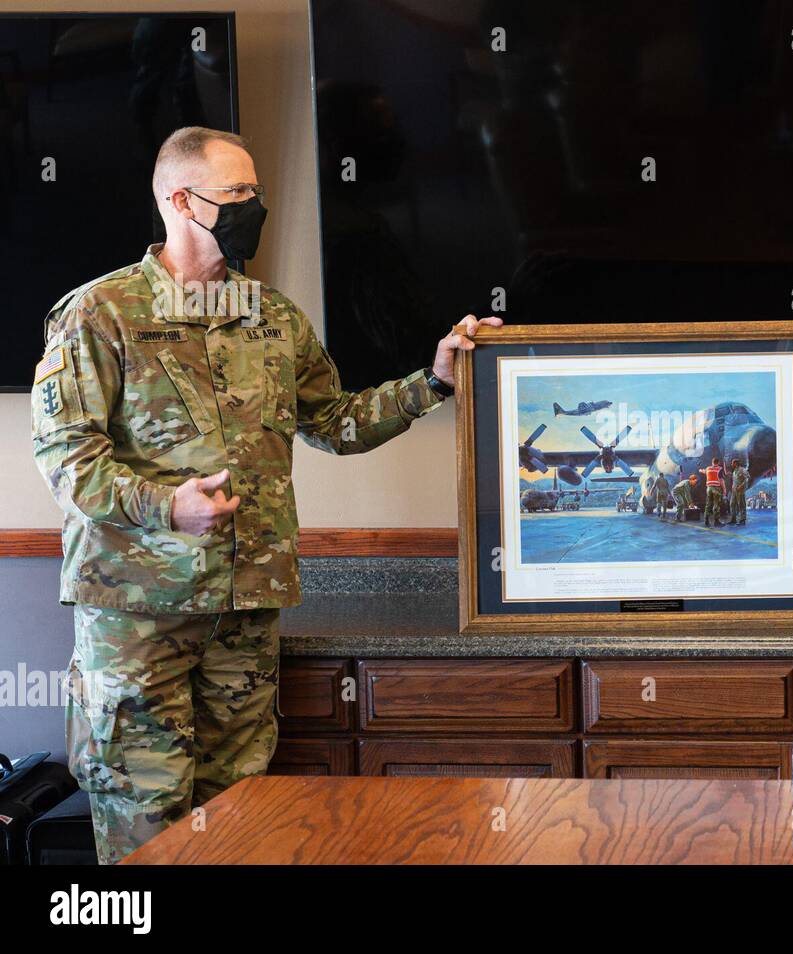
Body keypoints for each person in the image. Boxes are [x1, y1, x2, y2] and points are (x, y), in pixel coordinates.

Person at [31, 126, 501, 864]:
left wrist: (433, 380)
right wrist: (169, 507)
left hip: (244, 611)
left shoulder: (271, 316)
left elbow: (336, 423)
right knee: (146, 823)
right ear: (181, 200)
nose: (256, 206)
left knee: (239, 819)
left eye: (257, 191)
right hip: (139, 618)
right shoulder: (100, 314)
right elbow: (67, 459)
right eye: (239, 193)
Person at [702, 458, 727, 527]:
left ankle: (706, 520)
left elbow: (704, 471)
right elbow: (721, 480)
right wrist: (724, 489)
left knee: (708, 504)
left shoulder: (708, 468)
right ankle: (716, 521)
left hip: (709, 488)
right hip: (716, 488)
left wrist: (700, 470)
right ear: (718, 462)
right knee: (716, 504)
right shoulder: (719, 469)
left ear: (712, 462)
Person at [726, 457, 750, 525]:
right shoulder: (734, 471)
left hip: (740, 490)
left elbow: (747, 478)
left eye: (732, 463)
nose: (731, 464)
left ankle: (742, 520)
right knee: (732, 504)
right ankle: (733, 519)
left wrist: (741, 486)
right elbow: (735, 480)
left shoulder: (742, 470)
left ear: (735, 463)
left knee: (741, 505)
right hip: (734, 491)